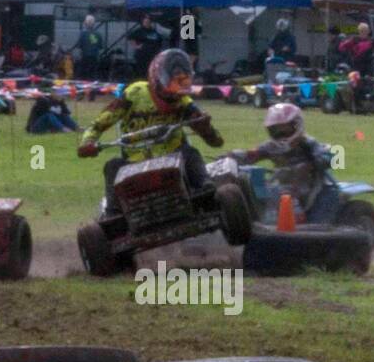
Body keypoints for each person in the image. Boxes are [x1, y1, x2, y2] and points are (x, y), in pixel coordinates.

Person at [78, 48, 224, 206]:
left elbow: (216, 143)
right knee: (112, 166)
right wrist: (87, 143)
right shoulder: (135, 94)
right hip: (133, 163)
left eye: (179, 91)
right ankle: (113, 213)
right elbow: (97, 125)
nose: (175, 97)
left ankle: (204, 187)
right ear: (157, 79)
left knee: (191, 153)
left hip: (174, 159)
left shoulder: (184, 103)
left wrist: (205, 127)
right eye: (171, 89)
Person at [229, 103, 338, 221]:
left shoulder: (309, 143)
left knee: (318, 221)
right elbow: (251, 155)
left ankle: (312, 232)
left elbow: (330, 156)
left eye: (284, 130)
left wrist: (314, 163)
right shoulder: (271, 146)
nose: (280, 135)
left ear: (297, 125)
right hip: (284, 187)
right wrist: (232, 157)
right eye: (275, 131)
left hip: (314, 189)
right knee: (258, 188)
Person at [74, 15, 104, 80]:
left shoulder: (83, 34)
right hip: (95, 58)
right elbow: (100, 47)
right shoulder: (98, 35)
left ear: (85, 24)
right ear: (94, 24)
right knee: (93, 75)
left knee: (84, 76)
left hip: (85, 58)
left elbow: (79, 47)